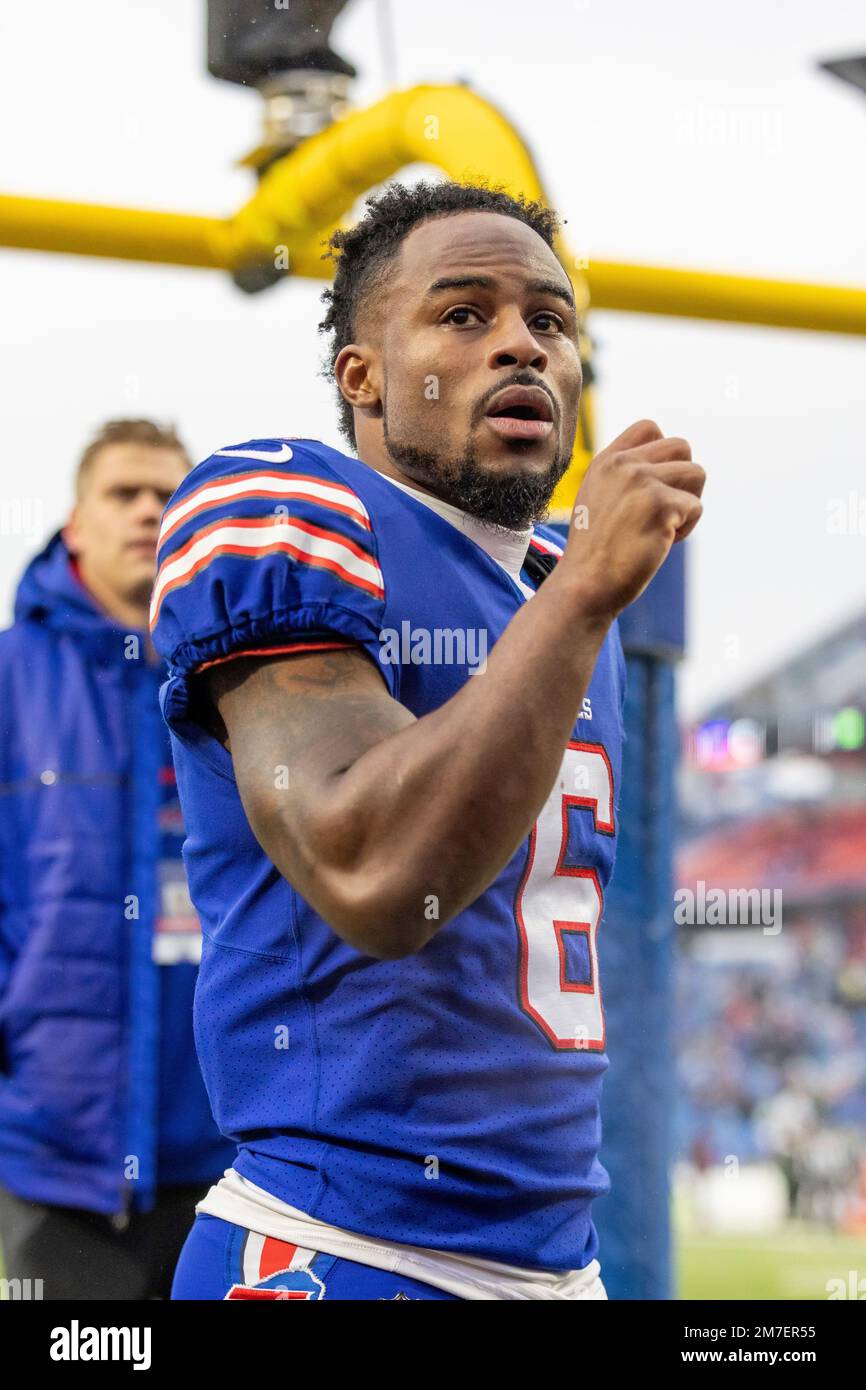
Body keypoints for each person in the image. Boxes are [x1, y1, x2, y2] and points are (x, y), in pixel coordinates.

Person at [154, 181, 705, 1301]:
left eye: (550, 321)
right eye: (463, 314)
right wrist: (585, 592)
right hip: (343, 1253)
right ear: (362, 375)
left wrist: (576, 594)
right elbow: (375, 873)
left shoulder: (561, 595)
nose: (520, 342)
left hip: (553, 1264)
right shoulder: (291, 501)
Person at [0, 419, 234, 1300]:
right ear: (75, 526)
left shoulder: (247, 675)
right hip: (59, 1164)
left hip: (231, 1161)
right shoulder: (10, 680)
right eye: (123, 494)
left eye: (169, 496)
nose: (148, 512)